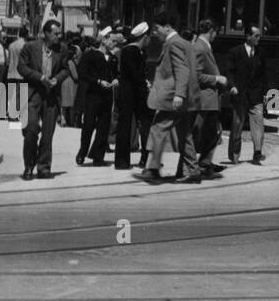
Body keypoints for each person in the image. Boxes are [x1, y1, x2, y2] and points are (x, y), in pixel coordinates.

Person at [140, 12, 199, 185]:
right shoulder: (184, 43)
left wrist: (179, 94)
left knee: (158, 129)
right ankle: (193, 171)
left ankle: (153, 168)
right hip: (183, 98)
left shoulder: (173, 43)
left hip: (173, 98)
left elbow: (182, 70)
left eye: (157, 28)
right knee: (184, 134)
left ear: (167, 27)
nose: (154, 32)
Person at [16, 19, 72, 180]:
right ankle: (28, 165)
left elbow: (66, 68)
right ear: (46, 33)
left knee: (48, 135)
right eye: (55, 34)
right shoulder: (30, 47)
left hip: (51, 97)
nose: (58, 37)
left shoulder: (62, 49)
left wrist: (57, 79)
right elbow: (21, 67)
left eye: (59, 33)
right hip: (32, 95)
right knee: (31, 131)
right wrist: (40, 77)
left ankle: (44, 167)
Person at [184, 19, 227, 180]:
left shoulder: (203, 46)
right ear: (212, 31)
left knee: (211, 134)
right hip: (203, 99)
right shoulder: (200, 47)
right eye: (216, 33)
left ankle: (205, 164)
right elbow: (197, 75)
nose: (216, 36)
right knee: (197, 133)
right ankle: (191, 166)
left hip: (210, 100)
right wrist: (216, 79)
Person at [227, 25, 267, 165]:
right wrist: (231, 86)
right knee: (237, 124)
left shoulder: (261, 53)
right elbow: (230, 71)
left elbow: (263, 75)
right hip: (240, 93)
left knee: (258, 121)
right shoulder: (235, 52)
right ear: (248, 36)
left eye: (259, 36)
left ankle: (257, 152)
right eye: (256, 36)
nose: (258, 39)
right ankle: (234, 153)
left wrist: (265, 93)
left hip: (256, 94)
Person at [74, 35, 116, 167]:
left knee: (103, 127)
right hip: (93, 95)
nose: (114, 43)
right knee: (88, 125)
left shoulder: (113, 58)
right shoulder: (90, 55)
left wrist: (115, 80)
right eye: (112, 40)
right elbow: (82, 73)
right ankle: (83, 151)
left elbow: (116, 73)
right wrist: (98, 81)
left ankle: (98, 156)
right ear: (103, 40)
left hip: (107, 96)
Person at [114, 23, 151, 170]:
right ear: (144, 37)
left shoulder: (133, 51)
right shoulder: (131, 51)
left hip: (132, 93)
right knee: (130, 126)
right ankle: (124, 160)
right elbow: (135, 74)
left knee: (132, 125)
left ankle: (141, 158)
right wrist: (145, 83)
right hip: (132, 94)